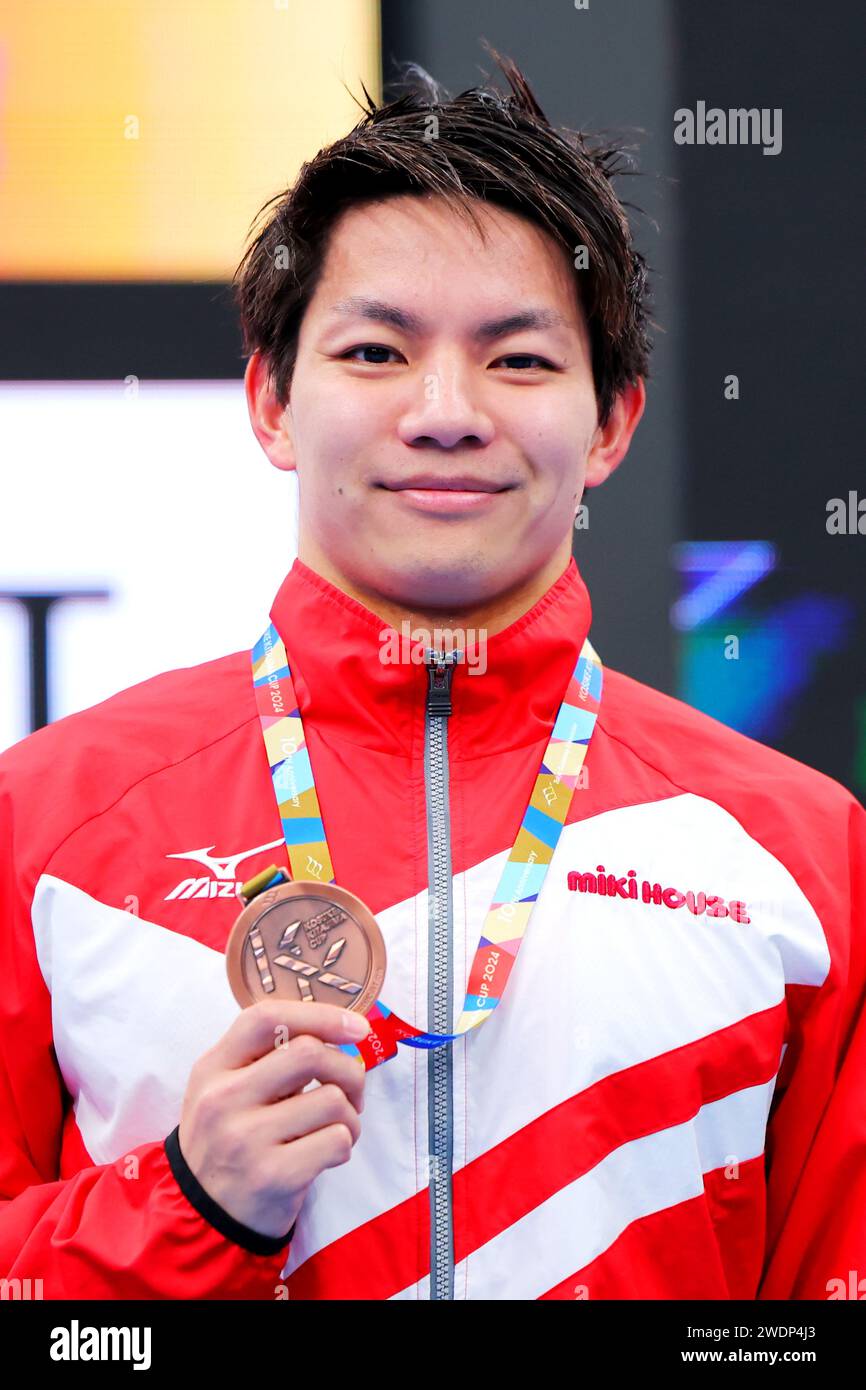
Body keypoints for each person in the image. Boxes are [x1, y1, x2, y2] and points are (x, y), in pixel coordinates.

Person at [1, 54, 864, 1303]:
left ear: (611, 421)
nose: (446, 411)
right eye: (373, 352)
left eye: (517, 361)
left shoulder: (802, 852)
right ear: (270, 401)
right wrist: (180, 1204)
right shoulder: (46, 826)